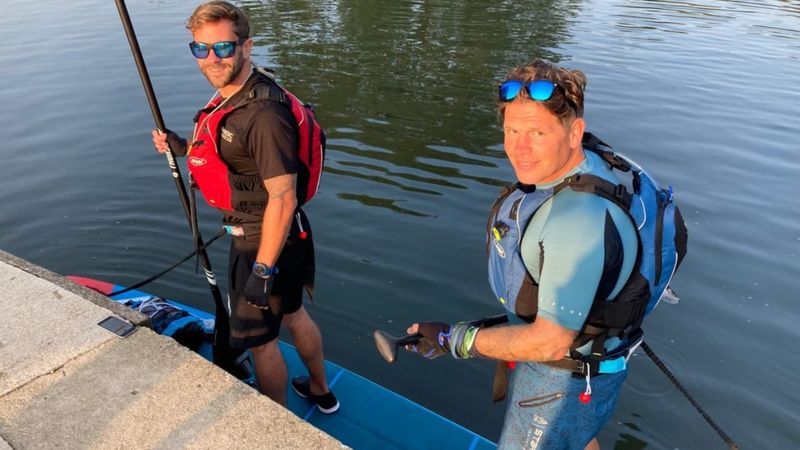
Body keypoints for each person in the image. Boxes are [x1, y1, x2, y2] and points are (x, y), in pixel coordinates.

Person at [406, 60, 645, 449]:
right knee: (579, 439)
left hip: (560, 378)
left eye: (537, 132)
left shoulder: (577, 221)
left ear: (575, 133)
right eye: (512, 130)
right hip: (590, 365)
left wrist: (455, 339)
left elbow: (549, 342)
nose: (519, 148)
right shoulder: (578, 168)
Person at [152, 0, 337, 413]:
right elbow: (234, 160)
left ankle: (273, 424)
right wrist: (182, 148)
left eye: (224, 47)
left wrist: (260, 271)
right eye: (201, 49)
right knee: (293, 314)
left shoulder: (263, 114)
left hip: (262, 241)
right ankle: (322, 391)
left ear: (247, 46)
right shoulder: (235, 95)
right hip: (287, 236)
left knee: (261, 341)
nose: (212, 59)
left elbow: (284, 196)